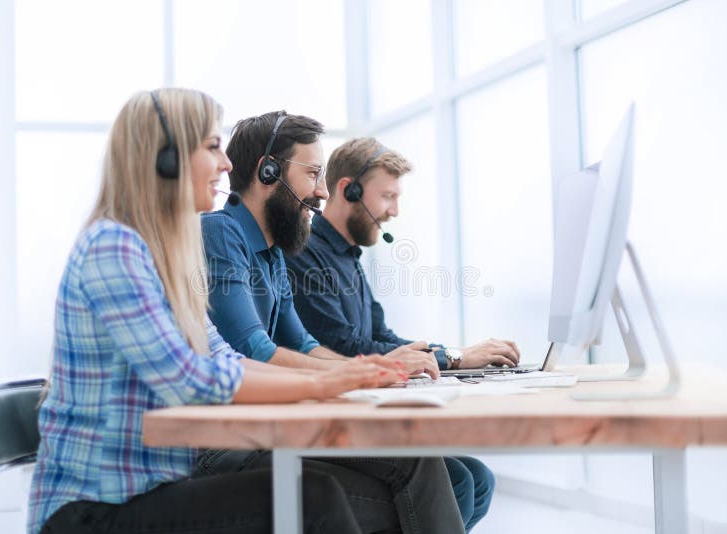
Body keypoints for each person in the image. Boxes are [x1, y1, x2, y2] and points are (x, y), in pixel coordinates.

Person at [27, 90, 463, 534]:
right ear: (166, 159)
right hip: (93, 509)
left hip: (151, 486)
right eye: (212, 147)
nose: (227, 164)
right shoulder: (114, 247)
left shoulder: (160, 258)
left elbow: (225, 357)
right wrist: (325, 379)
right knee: (317, 499)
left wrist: (348, 375)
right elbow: (188, 378)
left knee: (328, 493)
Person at [196, 111, 467, 532]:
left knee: (426, 465)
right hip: (226, 439)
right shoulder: (220, 233)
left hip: (268, 425)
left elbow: (303, 344)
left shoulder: (272, 252)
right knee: (418, 469)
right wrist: (359, 375)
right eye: (312, 174)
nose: (322, 192)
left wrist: (366, 371)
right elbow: (254, 351)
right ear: (267, 171)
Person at [285, 137, 522, 529]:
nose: (394, 211)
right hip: (334, 420)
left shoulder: (348, 258)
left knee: (478, 478)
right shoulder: (307, 253)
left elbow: (382, 334)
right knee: (461, 482)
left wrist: (453, 356)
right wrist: (455, 358)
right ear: (349, 190)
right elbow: (346, 346)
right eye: (388, 197)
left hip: (359, 408)